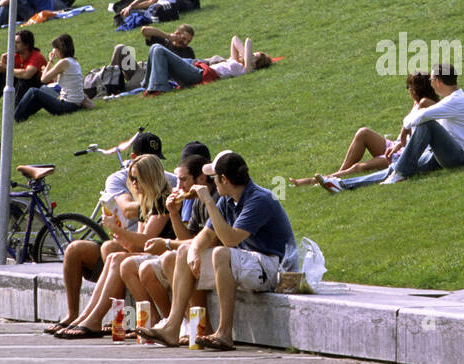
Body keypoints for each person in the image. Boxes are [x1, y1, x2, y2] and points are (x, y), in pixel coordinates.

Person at [139, 150, 297, 351]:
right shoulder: (227, 199)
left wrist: (208, 202)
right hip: (247, 263)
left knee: (221, 253)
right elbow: (204, 236)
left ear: (223, 178)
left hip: (273, 267)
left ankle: (224, 333)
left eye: (214, 178)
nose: (211, 182)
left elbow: (229, 240)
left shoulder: (260, 199)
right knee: (183, 253)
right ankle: (172, 327)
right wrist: (194, 251)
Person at [49, 130, 169, 328]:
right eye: (133, 179)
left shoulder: (162, 192)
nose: (134, 183)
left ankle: (109, 320)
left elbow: (141, 230)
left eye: (138, 179)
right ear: (133, 159)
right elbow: (138, 235)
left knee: (117, 257)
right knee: (102, 251)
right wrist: (120, 235)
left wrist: (117, 229)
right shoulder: (121, 181)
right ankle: (85, 316)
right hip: (140, 246)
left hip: (159, 250)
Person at [293, 72, 439, 191]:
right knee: (363, 133)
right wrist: (400, 140)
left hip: (406, 154)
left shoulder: (427, 104)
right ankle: (337, 175)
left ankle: (314, 181)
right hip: (398, 146)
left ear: (416, 90)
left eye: (409, 87)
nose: (408, 90)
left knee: (360, 167)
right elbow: (407, 123)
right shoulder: (417, 103)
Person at [127, 153, 212, 322]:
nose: (177, 186)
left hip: (216, 255)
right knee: (116, 255)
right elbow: (187, 238)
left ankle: (183, 323)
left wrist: (167, 244)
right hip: (191, 253)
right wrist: (174, 214)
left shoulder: (213, 200)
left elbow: (205, 241)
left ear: (201, 179)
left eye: (183, 180)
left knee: (173, 258)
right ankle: (171, 322)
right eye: (131, 178)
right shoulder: (194, 200)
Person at [382, 64, 464, 185]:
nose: (430, 83)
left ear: (437, 81)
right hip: (446, 154)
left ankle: (400, 174)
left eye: (431, 80)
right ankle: (351, 183)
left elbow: (422, 116)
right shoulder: (453, 99)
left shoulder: (455, 101)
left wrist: (404, 129)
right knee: (394, 168)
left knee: (428, 124)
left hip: (461, 158)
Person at [142, 35, 270, 95]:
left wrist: (250, 59)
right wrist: (246, 56)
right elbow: (235, 39)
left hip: (199, 75)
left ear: (255, 64)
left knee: (158, 49)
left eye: (254, 55)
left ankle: (159, 88)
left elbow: (248, 41)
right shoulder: (234, 60)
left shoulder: (245, 70)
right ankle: (148, 86)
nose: (249, 53)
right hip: (197, 70)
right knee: (155, 47)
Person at [14, 33, 89, 121]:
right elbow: (58, 80)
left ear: (59, 50)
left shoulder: (63, 62)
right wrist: (46, 70)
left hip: (67, 106)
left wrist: (50, 61)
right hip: (73, 103)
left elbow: (43, 79)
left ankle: (16, 116)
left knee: (34, 91)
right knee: (43, 88)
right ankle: (24, 114)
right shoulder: (74, 62)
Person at [0, 29, 46, 115]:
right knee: (4, 74)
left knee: (22, 78)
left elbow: (27, 74)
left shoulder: (36, 56)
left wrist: (7, 68)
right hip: (23, 85)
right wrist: (2, 64)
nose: (13, 45)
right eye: (13, 42)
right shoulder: (14, 56)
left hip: (39, 88)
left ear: (26, 45)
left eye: (17, 42)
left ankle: (16, 107)